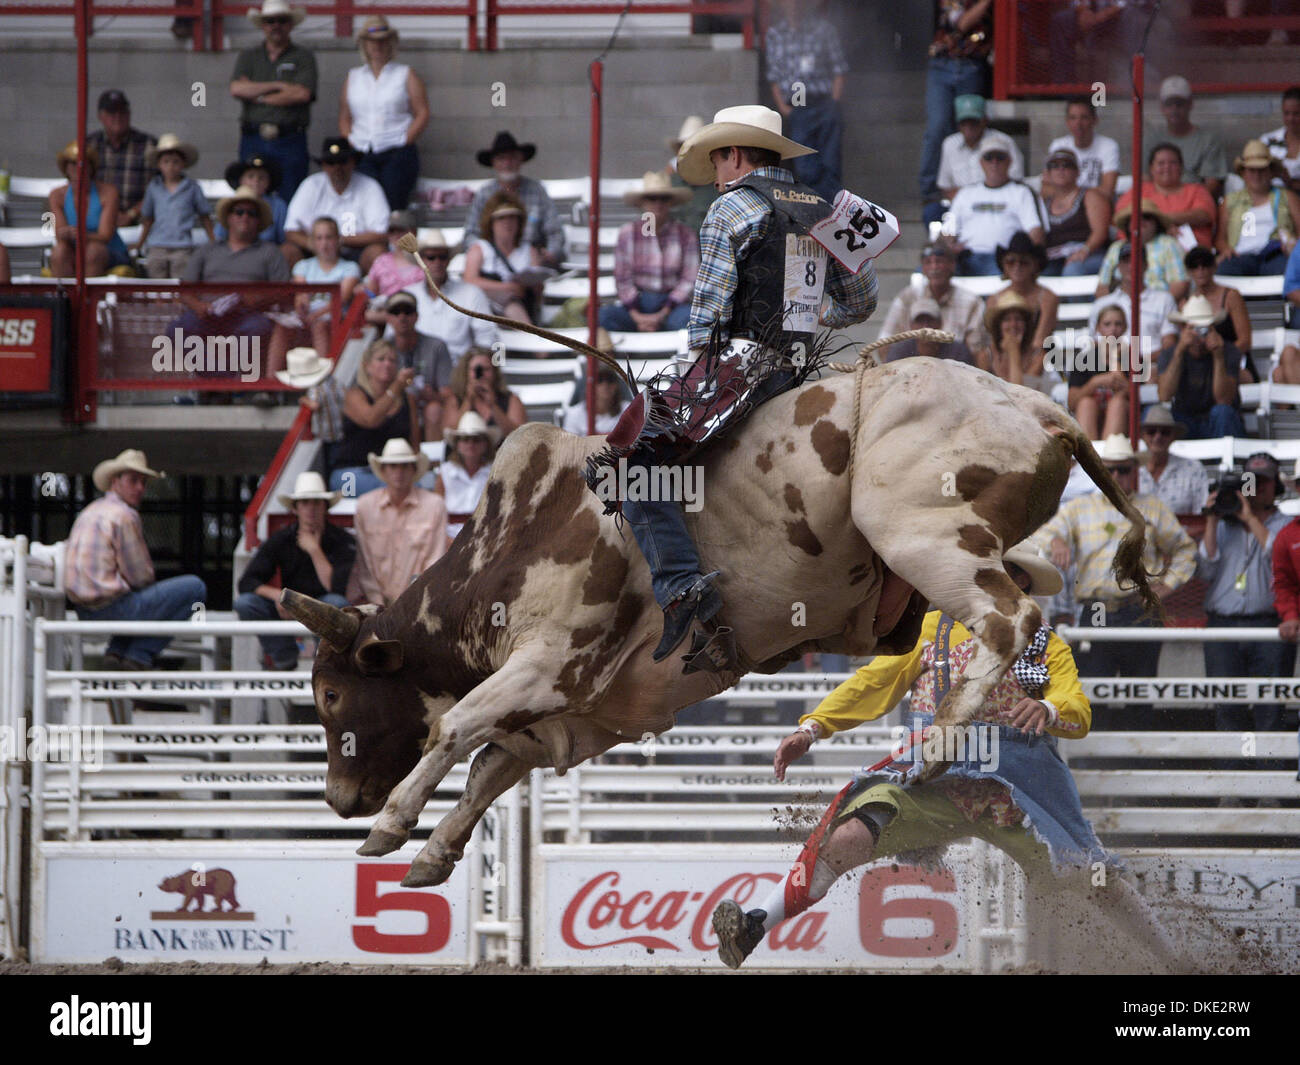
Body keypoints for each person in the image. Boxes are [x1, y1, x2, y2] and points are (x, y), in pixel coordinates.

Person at [710, 545, 1183, 972]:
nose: (985, 579)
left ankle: (1176, 964)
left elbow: (1078, 710)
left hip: (1018, 791)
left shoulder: (1045, 642)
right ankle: (755, 924)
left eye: (1000, 571)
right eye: (982, 570)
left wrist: (1050, 707)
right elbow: (875, 681)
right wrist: (812, 728)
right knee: (849, 833)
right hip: (934, 778)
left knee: (1090, 873)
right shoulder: (932, 627)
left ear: (1019, 581)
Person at [586, 104, 877, 670]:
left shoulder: (729, 208)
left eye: (718, 158)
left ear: (736, 155)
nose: (716, 171)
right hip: (798, 368)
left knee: (631, 464)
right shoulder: (822, 206)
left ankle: (678, 586)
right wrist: (814, 312)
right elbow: (862, 301)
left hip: (740, 370)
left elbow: (707, 319)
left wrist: (676, 383)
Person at [1041, 434, 1196, 719]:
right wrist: (1056, 542)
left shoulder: (1153, 507)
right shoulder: (1078, 508)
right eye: (1109, 470)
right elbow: (1044, 533)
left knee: (1141, 689)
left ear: (1134, 471)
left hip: (1139, 607)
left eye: (1123, 469)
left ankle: (1140, 758)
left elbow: (1185, 549)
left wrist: (1166, 585)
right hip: (1096, 607)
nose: (1116, 476)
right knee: (1091, 689)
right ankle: (1095, 759)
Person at [65, 449, 207, 673]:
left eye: (143, 482)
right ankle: (139, 656)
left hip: (83, 610)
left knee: (134, 599)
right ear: (115, 482)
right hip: (112, 609)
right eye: (133, 481)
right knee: (194, 588)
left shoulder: (88, 512)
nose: (140, 488)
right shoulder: (124, 515)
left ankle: (116, 653)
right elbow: (140, 576)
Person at [1199, 452, 1296, 745]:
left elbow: (1276, 554)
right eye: (1251, 482)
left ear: (1276, 487)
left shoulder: (1286, 525)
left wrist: (1249, 518)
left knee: (1270, 709)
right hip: (1223, 626)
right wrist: (1212, 520)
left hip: (1268, 626)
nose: (1258, 488)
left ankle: (1269, 783)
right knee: (1227, 707)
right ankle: (1233, 787)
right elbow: (1205, 568)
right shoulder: (1225, 523)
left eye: (1264, 482)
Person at [235, 471, 353, 670]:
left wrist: (314, 550)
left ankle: (326, 662)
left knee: (337, 604)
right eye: (305, 502)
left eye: (316, 502)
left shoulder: (342, 540)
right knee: (245, 603)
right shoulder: (282, 538)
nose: (311, 509)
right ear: (296, 508)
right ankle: (285, 656)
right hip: (289, 604)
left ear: (325, 507)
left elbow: (336, 588)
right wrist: (279, 596)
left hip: (323, 606)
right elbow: (246, 582)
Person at [174, 186, 291, 376]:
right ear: (228, 218)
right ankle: (217, 382)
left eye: (251, 213)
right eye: (239, 212)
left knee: (258, 328)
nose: (245, 217)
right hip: (207, 315)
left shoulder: (270, 251)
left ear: (258, 221)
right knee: (178, 329)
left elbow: (284, 290)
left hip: (248, 314)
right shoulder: (206, 250)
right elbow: (185, 289)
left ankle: (223, 386)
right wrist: (198, 306)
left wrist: (255, 299)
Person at [229, 0, 317, 200]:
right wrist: (279, 86)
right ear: (262, 25)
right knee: (250, 197)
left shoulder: (303, 56)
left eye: (282, 20)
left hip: (289, 139)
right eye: (270, 21)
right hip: (253, 137)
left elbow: (302, 94)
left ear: (290, 24)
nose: (276, 25)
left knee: (290, 197)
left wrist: (256, 94)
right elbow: (236, 88)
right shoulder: (249, 55)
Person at [340, 15, 428, 212]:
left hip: (396, 151)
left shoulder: (405, 74)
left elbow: (422, 112)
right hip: (363, 150)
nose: (377, 45)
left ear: (390, 43)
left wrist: (406, 139)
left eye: (382, 40)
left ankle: (395, 243)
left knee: (394, 206)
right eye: (372, 41)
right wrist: (350, 140)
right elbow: (345, 115)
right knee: (365, 206)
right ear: (364, 44)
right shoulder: (353, 77)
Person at [764, 0, 848, 204]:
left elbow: (839, 68)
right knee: (806, 167)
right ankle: (822, 207)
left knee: (830, 163)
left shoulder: (824, 29)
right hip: (798, 102)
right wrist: (786, 109)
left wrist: (834, 102)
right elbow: (773, 76)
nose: (793, 5)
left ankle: (832, 209)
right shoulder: (775, 34)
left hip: (823, 100)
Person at [919, 0, 995, 226]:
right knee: (938, 126)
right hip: (943, 64)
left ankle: (969, 187)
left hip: (973, 66)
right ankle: (930, 190)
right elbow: (960, 23)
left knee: (968, 126)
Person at [348, 438, 448, 608]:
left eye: (404, 466)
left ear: (413, 469)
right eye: (393, 466)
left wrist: (413, 602)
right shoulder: (365, 507)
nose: (399, 472)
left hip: (419, 602)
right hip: (377, 603)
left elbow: (435, 559)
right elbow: (365, 564)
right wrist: (378, 605)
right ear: (384, 471)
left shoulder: (434, 505)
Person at [600, 172, 699, 334]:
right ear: (643, 203)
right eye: (652, 198)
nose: (658, 204)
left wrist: (664, 312)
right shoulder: (627, 233)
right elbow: (622, 279)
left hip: (672, 306)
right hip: (638, 303)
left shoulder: (686, 234)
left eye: (664, 198)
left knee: (692, 318)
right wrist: (636, 315)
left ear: (670, 203)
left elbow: (689, 279)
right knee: (604, 315)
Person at [267, 216, 361, 379]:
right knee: (282, 328)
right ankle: (269, 384)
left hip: (334, 319)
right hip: (307, 317)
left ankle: (322, 382)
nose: (324, 243)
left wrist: (315, 316)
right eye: (319, 238)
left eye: (329, 237)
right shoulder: (302, 266)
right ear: (312, 242)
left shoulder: (350, 268)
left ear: (338, 240)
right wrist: (302, 307)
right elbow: (301, 295)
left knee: (320, 326)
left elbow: (341, 299)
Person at [284, 137, 389, 271]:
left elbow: (381, 234)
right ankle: (296, 292)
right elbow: (290, 231)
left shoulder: (370, 186)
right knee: (287, 251)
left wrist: (340, 241)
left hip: (356, 252)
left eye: (342, 161)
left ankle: (369, 292)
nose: (337, 167)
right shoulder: (310, 185)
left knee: (377, 252)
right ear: (323, 165)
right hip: (315, 252)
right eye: (331, 162)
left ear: (353, 162)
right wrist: (315, 244)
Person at [463, 131, 565, 268]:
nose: (507, 163)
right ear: (493, 163)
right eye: (501, 158)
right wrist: (482, 254)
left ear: (521, 159)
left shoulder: (537, 190)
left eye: (512, 157)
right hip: (493, 262)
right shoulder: (484, 193)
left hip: (533, 261)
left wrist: (551, 253)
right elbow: (471, 234)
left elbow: (555, 231)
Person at [330, 338, 418, 495]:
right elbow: (371, 419)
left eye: (392, 360)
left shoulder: (407, 399)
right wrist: (396, 387)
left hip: (395, 473)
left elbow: (414, 444)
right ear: (367, 366)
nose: (387, 364)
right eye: (381, 359)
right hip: (351, 473)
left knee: (427, 483)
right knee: (384, 489)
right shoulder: (353, 395)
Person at [945, 145, 1044, 276]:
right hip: (965, 257)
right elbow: (948, 231)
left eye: (1000, 158)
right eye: (989, 158)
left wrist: (1027, 259)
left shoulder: (1022, 192)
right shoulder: (965, 193)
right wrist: (949, 246)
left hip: (1002, 259)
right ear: (981, 162)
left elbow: (1035, 232)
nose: (994, 162)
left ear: (1010, 161)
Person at [1157, 295, 1247, 439]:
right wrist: (1179, 352)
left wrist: (1218, 356)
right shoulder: (1170, 353)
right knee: (1163, 416)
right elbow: (1164, 395)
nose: (1198, 335)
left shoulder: (1228, 351)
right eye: (1193, 328)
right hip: (1185, 421)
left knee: (1222, 412)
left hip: (1217, 422)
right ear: (1183, 328)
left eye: (1203, 329)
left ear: (1213, 329)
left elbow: (1224, 399)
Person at [403, 230, 499, 362]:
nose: (437, 262)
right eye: (431, 257)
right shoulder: (408, 294)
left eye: (442, 257)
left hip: (458, 370)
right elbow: (393, 337)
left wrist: (477, 364)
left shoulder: (471, 293)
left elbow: (488, 336)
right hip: (417, 369)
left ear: (448, 260)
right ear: (421, 261)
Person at [878, 243, 988, 354]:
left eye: (939, 262)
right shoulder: (907, 297)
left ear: (952, 265)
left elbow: (978, 351)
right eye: (928, 262)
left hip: (955, 366)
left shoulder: (972, 302)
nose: (934, 267)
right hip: (911, 366)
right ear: (923, 268)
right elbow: (884, 344)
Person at [132, 135, 213, 280]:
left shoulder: (192, 188)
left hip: (182, 246)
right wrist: (139, 244)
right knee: (157, 283)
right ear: (159, 165)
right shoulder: (154, 187)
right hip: (157, 245)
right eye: (166, 162)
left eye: (176, 162)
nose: (171, 166)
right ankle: (160, 304)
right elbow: (148, 218)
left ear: (183, 164)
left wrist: (213, 241)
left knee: (180, 283)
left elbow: (204, 216)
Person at [1215, 139, 1296, 277]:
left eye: (1262, 170)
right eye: (1252, 170)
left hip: (1276, 254)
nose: (1257, 175)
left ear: (1270, 171)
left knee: (1286, 272)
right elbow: (1220, 239)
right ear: (1243, 173)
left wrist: (1293, 247)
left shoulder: (1287, 196)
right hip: (1240, 255)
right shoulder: (1230, 201)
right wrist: (1226, 249)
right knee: (1224, 271)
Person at [48, 143, 130, 277]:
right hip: (73, 249)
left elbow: (105, 235)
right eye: (72, 164)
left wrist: (82, 235)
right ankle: (62, 296)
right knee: (59, 252)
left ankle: (89, 297)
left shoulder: (108, 192)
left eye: (82, 164)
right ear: (65, 168)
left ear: (91, 168)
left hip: (108, 251)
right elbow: (59, 234)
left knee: (93, 251)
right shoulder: (56, 195)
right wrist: (67, 233)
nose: (78, 169)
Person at [463, 191, 544, 324]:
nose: (507, 223)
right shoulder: (480, 248)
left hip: (524, 305)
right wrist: (507, 287)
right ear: (491, 222)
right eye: (501, 218)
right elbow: (469, 281)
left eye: (512, 217)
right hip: (487, 310)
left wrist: (534, 286)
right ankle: (527, 333)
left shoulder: (529, 250)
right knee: (509, 300)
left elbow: (538, 287)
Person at [1117, 144, 1217, 251]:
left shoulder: (1197, 190)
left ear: (1181, 168)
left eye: (1173, 163)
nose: (1167, 167)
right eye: (1161, 163)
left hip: (1192, 254)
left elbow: (1204, 215)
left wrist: (1160, 221)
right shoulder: (1139, 191)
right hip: (1143, 251)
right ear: (1151, 168)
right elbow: (1122, 217)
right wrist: (1162, 228)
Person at [383, 289, 453, 442]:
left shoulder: (437, 346)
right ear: (388, 318)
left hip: (426, 406)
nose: (402, 317)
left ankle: (433, 463)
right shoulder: (381, 349)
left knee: (434, 409)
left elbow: (448, 395)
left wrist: (432, 395)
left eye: (407, 311)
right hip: (394, 406)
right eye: (396, 312)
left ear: (416, 316)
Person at [1147, 76, 1228, 201]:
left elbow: (1212, 185)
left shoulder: (1208, 141)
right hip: (1156, 206)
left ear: (1190, 104)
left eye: (1179, 104)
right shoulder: (1151, 139)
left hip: (1193, 205)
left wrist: (1184, 203)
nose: (1174, 110)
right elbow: (1143, 179)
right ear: (1161, 107)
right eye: (1169, 104)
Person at [1089, 244, 1180, 355]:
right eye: (1126, 261)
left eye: (1136, 261)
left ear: (1146, 265)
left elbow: (1169, 343)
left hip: (1152, 366)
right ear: (1119, 266)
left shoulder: (1164, 300)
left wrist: (1138, 360)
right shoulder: (1101, 304)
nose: (1131, 266)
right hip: (1112, 365)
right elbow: (1094, 343)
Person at [84, 89, 156, 228]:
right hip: (95, 220)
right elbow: (76, 186)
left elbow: (162, 188)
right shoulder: (88, 145)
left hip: (139, 222)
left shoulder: (148, 145)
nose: (117, 117)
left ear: (129, 114)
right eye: (111, 112)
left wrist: (131, 214)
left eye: (122, 112)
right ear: (101, 116)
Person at [936, 93, 1024, 203]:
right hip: (961, 203)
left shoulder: (1003, 141)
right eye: (964, 122)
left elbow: (1016, 180)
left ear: (985, 120)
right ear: (958, 124)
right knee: (932, 212)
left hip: (998, 201)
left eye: (973, 122)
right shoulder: (949, 144)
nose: (969, 127)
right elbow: (945, 186)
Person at [1096, 200, 1189, 301]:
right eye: (1135, 218)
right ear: (1128, 223)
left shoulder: (1169, 244)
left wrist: (1157, 306)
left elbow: (1179, 285)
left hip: (1158, 308)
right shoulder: (1116, 248)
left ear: (1156, 222)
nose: (1141, 221)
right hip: (1120, 309)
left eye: (1146, 217)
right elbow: (1102, 288)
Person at [1039, 146, 1110, 277]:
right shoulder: (1044, 202)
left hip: (1089, 253)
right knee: (1036, 273)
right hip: (1054, 257)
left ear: (1077, 172)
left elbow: (1100, 232)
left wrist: (1084, 251)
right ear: (1048, 173)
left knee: (1072, 271)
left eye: (1067, 165)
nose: (1061, 169)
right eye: (1055, 166)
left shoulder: (1090, 196)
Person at [1066, 303, 1133, 442]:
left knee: (1118, 403)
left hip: (1123, 420)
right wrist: (1095, 382)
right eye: (1107, 324)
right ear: (1098, 328)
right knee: (1086, 403)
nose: (1113, 329)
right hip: (1091, 417)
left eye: (1118, 324)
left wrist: (1115, 358)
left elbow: (1135, 397)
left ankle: (1109, 458)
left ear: (1125, 327)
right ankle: (1090, 459)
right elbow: (1072, 403)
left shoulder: (1134, 358)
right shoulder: (1084, 359)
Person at [986, 231, 1058, 357]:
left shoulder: (1048, 297)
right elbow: (993, 342)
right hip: (1003, 357)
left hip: (1039, 358)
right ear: (1004, 265)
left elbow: (1041, 339)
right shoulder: (994, 300)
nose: (1017, 266)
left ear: (1035, 265)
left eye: (1024, 262)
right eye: (1011, 261)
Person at [434, 411, 500, 539]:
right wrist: (447, 543)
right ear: (457, 444)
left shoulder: (495, 472)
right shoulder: (445, 472)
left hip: (485, 537)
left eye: (476, 439)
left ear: (485, 444)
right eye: (465, 439)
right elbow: (436, 513)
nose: (471, 444)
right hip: (449, 539)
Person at [1183, 245, 1252, 366]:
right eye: (1194, 266)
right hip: (1199, 364)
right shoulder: (1185, 302)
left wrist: (1219, 356)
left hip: (1232, 362)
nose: (1200, 270)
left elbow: (1245, 341)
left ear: (1214, 267)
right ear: (1189, 271)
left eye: (1205, 264)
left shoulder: (1231, 296)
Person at [1138, 404, 1210, 516]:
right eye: (1151, 431)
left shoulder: (1193, 470)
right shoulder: (1128, 470)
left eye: (1165, 432)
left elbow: (1202, 518)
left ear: (1173, 436)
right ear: (1143, 435)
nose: (1158, 437)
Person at [443, 345, 526, 439]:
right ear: (466, 372)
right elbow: (449, 435)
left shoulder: (511, 399)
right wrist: (468, 401)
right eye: (475, 370)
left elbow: (519, 437)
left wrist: (493, 405)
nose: (480, 375)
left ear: (495, 372)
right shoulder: (455, 400)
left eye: (485, 369)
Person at [1048, 96, 1121, 200]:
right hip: (1066, 207)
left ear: (1095, 120)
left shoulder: (1108, 146)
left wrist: (1068, 193)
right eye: (1073, 118)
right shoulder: (1057, 145)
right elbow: (1046, 188)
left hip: (1098, 205)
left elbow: (1108, 190)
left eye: (1084, 117)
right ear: (1067, 122)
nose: (1078, 124)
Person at [986, 291, 1055, 395]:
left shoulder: (1038, 356)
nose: (1013, 324)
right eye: (1007, 320)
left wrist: (1013, 351)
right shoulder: (986, 354)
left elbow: (1019, 394)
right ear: (998, 325)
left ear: (1026, 325)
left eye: (1018, 319)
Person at [562, 330, 630, 434]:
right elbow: (574, 411)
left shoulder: (619, 381)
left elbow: (630, 408)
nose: (605, 385)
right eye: (599, 381)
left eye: (605, 354)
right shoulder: (583, 382)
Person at [215, 155, 288, 250]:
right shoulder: (231, 203)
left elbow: (283, 240)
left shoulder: (278, 205)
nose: (256, 181)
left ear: (269, 182)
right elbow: (219, 237)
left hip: (267, 256)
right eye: (250, 176)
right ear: (241, 181)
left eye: (261, 178)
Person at [883, 297, 976, 365]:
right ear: (911, 325)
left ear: (940, 323)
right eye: (919, 321)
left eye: (930, 320)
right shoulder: (899, 351)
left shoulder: (957, 351)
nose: (925, 326)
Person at [666, 115, 719, 232]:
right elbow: (650, 220)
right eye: (685, 148)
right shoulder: (668, 183)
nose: (689, 154)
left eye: (694, 149)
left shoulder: (718, 185)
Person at [363, 210, 425, 302]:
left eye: (401, 230)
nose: (396, 234)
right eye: (391, 231)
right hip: (387, 313)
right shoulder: (381, 261)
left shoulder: (427, 258)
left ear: (413, 232)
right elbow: (370, 293)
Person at [1260, 85, 1300, 192]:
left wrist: (1289, 181)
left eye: (1296, 114)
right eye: (1286, 113)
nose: (1291, 118)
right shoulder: (1268, 140)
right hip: (1270, 197)